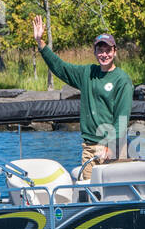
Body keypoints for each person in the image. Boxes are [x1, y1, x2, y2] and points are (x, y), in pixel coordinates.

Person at [31, 14, 133, 180]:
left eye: (108, 50)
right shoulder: (87, 73)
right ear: (95, 52)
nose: (104, 54)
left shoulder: (122, 80)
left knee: (114, 194)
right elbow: (60, 67)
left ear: (114, 52)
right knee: (91, 193)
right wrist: (40, 43)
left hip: (113, 148)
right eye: (100, 50)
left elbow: (122, 118)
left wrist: (110, 146)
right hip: (89, 148)